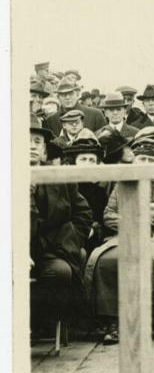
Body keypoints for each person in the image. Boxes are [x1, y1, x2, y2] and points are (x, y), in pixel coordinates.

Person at [84, 137, 154, 343]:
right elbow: (109, 216)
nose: (145, 164)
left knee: (147, 260)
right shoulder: (122, 186)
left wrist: (139, 215)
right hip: (124, 236)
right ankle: (112, 320)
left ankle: (147, 319)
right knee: (104, 260)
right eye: (141, 159)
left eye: (149, 160)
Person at [29, 114, 92, 333]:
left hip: (55, 248)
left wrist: (69, 238)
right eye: (25, 140)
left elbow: (83, 213)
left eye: (37, 142)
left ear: (45, 150)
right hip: (21, 250)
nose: (31, 146)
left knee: (64, 268)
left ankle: (52, 324)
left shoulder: (59, 176)